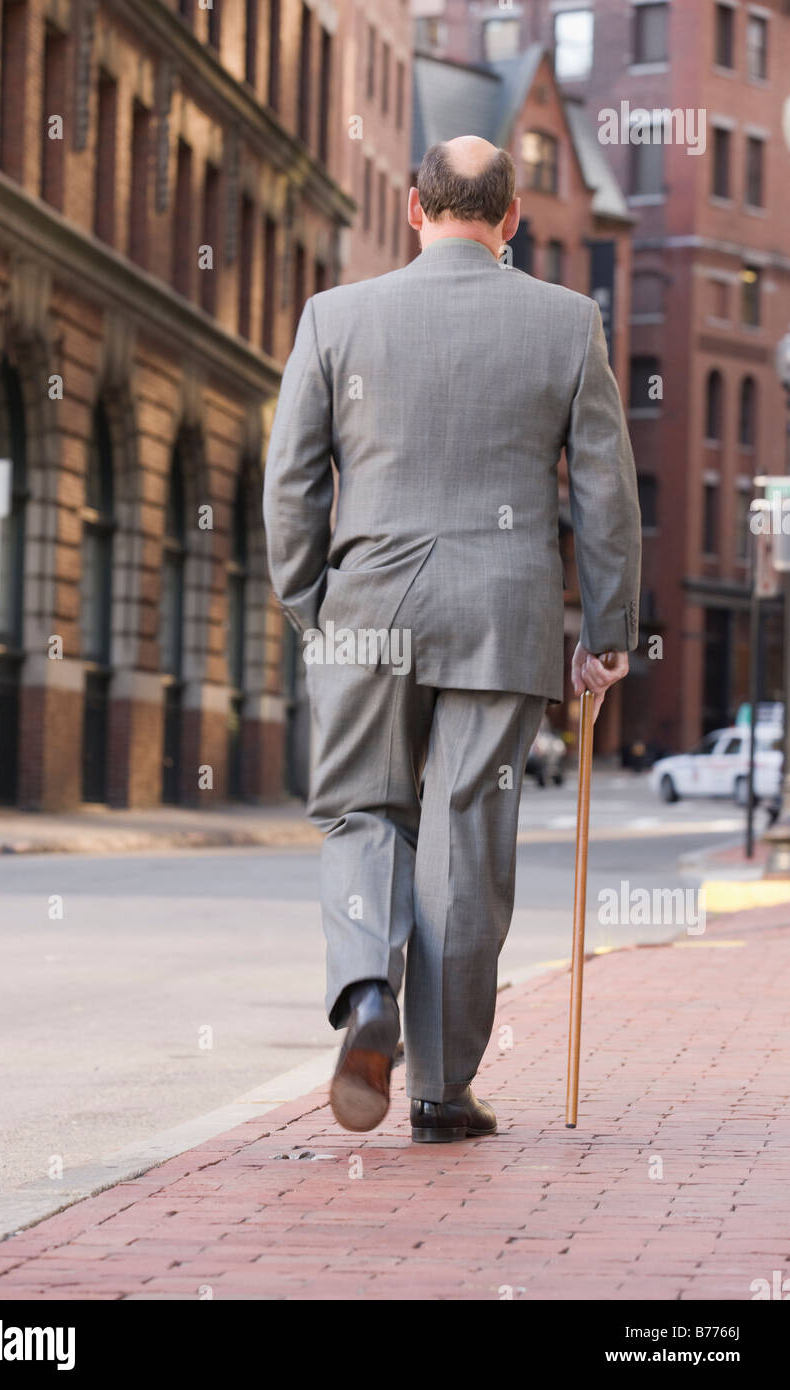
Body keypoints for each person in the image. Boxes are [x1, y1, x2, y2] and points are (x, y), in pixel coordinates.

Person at [263, 136, 641, 1143]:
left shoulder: (335, 317)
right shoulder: (568, 323)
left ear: (411, 208)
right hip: (501, 615)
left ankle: (363, 995)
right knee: (467, 841)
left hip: (366, 609)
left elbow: (290, 479)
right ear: (511, 217)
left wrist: (310, 607)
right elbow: (604, 493)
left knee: (360, 813)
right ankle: (439, 1091)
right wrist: (605, 635)